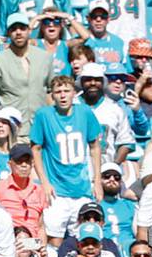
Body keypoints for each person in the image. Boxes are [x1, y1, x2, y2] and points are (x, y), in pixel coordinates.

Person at [30, 74, 102, 246]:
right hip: (57, 191)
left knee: (84, 239)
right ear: (52, 95)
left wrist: (97, 180)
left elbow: (95, 146)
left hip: (82, 188)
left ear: (74, 93)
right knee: (55, 239)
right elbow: (36, 149)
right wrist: (45, 182)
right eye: (58, 92)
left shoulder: (85, 112)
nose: (62, 95)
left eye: (66, 91)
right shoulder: (44, 115)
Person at [0, 13, 53, 129]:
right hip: (12, 131)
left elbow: (51, 93)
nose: (18, 32)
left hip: (42, 129)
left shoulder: (44, 57)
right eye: (14, 29)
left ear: (29, 30)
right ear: (9, 33)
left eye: (22, 28)